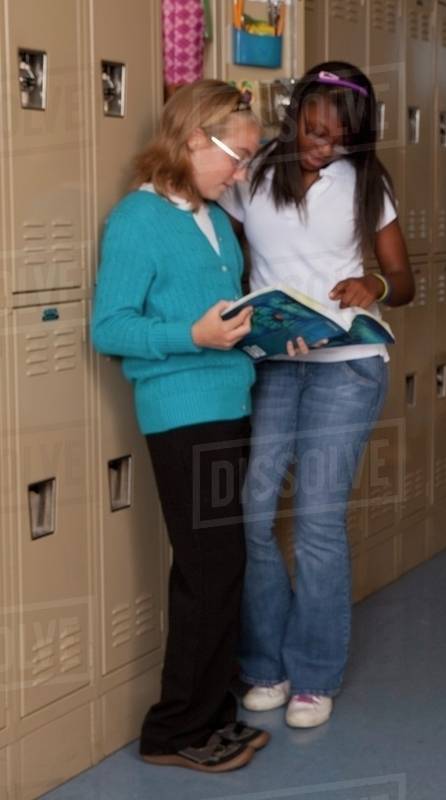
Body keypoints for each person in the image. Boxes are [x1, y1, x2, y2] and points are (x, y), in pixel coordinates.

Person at [221, 62, 415, 729]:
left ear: (354, 137)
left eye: (334, 138)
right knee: (252, 508)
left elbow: (403, 278)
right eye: (311, 130)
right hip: (277, 360)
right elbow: (229, 250)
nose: (319, 146)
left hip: (348, 362)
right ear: (295, 114)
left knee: (317, 520)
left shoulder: (367, 185)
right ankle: (263, 664)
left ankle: (313, 674)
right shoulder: (258, 171)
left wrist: (373, 288)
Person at [92, 80, 267, 772]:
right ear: (195, 138)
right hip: (183, 414)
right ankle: (173, 729)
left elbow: (223, 319)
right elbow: (111, 326)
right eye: (238, 156)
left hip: (230, 404)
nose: (242, 172)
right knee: (208, 571)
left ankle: (211, 713)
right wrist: (192, 336)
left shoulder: (216, 218)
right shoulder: (139, 218)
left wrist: (275, 333)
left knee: (224, 570)